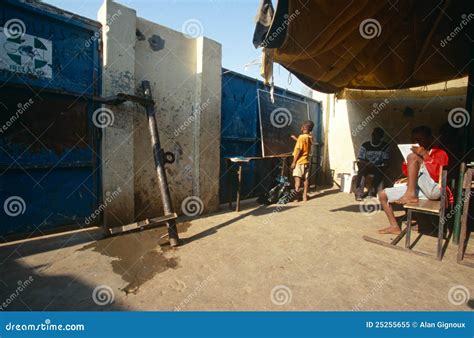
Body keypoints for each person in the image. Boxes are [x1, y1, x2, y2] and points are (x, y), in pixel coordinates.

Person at [378, 126, 450, 235]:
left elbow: (437, 175)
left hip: (435, 189)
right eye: (413, 140)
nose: (416, 142)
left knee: (412, 157)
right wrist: (409, 162)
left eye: (419, 139)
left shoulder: (440, 153)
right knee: (382, 195)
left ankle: (410, 194)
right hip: (419, 190)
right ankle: (394, 226)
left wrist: (425, 156)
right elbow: (408, 174)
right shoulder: (415, 156)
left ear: (430, 139)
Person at [355, 127, 389, 200]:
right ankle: (359, 193)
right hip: (366, 166)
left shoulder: (385, 146)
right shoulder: (365, 145)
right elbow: (360, 159)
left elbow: (385, 160)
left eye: (377, 135)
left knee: (380, 170)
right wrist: (368, 164)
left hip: (377, 167)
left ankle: (372, 192)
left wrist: (383, 165)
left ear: (381, 137)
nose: (374, 137)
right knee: (362, 169)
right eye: (373, 135)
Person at [290, 120, 314, 202]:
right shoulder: (310, 137)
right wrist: (296, 139)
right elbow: (304, 145)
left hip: (299, 162)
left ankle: (296, 198)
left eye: (302, 126)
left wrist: (294, 162)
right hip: (306, 161)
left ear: (304, 127)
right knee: (306, 179)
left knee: (297, 180)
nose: (300, 127)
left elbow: (299, 149)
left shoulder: (301, 137)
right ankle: (304, 196)